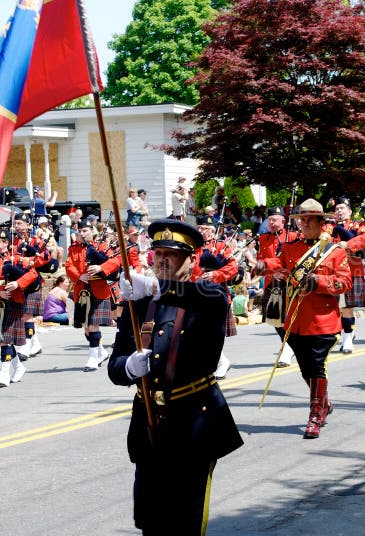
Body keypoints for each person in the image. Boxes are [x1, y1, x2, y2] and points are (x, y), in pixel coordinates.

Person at [109, 219, 243, 535]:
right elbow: (114, 366)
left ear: (191, 260)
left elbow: (204, 298)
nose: (163, 261)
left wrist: (155, 287)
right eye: (158, 254)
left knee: (185, 521)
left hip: (194, 419)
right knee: (149, 518)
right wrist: (128, 367)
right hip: (149, 422)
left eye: (173, 255)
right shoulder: (138, 303)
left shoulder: (208, 295)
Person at [256, 199, 352, 439]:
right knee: (305, 368)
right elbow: (278, 263)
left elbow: (345, 282)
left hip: (323, 320)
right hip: (295, 318)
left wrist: (319, 282)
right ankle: (324, 403)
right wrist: (262, 265)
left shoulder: (335, 250)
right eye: (301, 219)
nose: (304, 223)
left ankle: (315, 416)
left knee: (317, 365)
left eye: (309, 219)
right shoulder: (291, 247)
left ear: (321, 223)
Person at [0, 229, 38, 387]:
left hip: (13, 301)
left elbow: (33, 274)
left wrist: (18, 283)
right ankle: (18, 367)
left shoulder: (17, 259)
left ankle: (4, 374)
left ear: (6, 243)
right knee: (1, 339)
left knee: (5, 339)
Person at [65, 219, 122, 371]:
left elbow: (116, 261)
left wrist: (100, 267)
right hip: (82, 289)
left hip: (98, 288)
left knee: (92, 324)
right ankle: (101, 351)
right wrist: (78, 276)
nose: (82, 234)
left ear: (92, 231)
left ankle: (92, 358)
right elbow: (69, 265)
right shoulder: (74, 249)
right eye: (80, 231)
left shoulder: (102, 245)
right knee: (86, 326)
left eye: (85, 231)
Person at [194, 215, 239, 379]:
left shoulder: (222, 246)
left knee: (210, 333)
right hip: (196, 294)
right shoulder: (194, 247)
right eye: (198, 228)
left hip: (216, 295)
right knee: (199, 333)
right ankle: (221, 361)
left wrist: (216, 274)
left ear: (212, 231)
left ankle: (221, 362)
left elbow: (233, 268)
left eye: (204, 229)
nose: (200, 231)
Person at [258, 206, 299, 367]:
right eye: (269, 220)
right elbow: (261, 260)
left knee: (288, 318)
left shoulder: (294, 236)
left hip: (289, 282)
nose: (271, 223)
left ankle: (287, 350)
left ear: (283, 221)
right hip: (271, 282)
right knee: (275, 319)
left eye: (274, 220)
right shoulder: (263, 239)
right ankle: (288, 345)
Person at [331, 196, 365, 354]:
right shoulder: (328, 227)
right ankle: (345, 333)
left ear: (349, 211)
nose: (339, 211)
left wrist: (348, 244)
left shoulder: (357, 225)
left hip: (351, 269)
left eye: (342, 208)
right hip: (332, 271)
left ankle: (347, 338)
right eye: (337, 209)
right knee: (335, 307)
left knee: (346, 307)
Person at [12, 212, 46, 360]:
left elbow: (45, 258)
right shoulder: (11, 241)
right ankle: (35, 344)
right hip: (17, 282)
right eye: (15, 223)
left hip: (32, 282)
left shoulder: (35, 241)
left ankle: (25, 346)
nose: (17, 226)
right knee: (23, 315)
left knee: (27, 315)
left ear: (27, 226)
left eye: (20, 223)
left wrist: (31, 259)